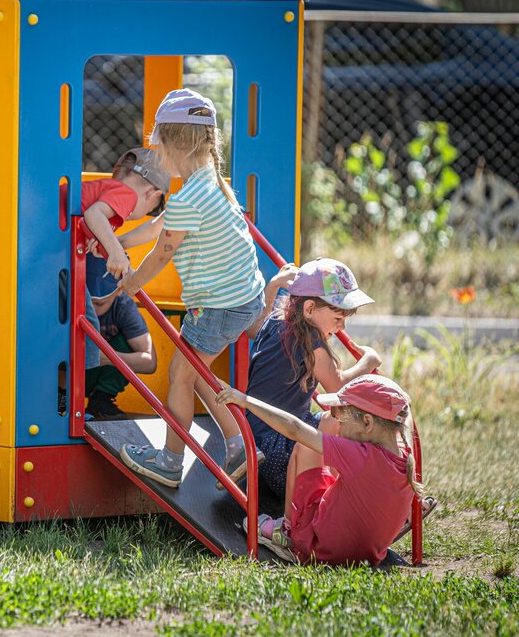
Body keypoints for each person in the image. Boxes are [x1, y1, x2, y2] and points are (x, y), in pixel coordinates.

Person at [116, 88, 266, 488]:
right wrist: (121, 242)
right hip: (246, 298)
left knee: (179, 374)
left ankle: (170, 460)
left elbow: (161, 256)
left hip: (220, 306)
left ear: (169, 144)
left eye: (158, 144)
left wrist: (129, 285)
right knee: (198, 372)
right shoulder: (212, 184)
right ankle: (237, 448)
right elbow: (162, 227)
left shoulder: (189, 199)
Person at [217, 374, 423, 566]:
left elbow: (295, 429)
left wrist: (245, 400)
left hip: (322, 549)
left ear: (367, 422)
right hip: (369, 554)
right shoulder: (406, 458)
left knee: (306, 445)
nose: (338, 425)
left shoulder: (361, 456)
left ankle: (288, 533)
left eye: (340, 417)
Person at [238, 258, 381, 506]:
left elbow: (253, 329)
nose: (342, 327)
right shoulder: (311, 342)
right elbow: (339, 387)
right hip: (278, 453)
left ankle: (359, 493)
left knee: (336, 419)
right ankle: (353, 498)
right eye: (338, 319)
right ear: (309, 309)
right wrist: (369, 361)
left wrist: (272, 286)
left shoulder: (279, 322)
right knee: (344, 419)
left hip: (256, 444)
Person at [71, 147, 170, 372]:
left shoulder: (109, 190)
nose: (140, 215)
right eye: (149, 210)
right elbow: (93, 214)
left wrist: (101, 241)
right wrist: (115, 251)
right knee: (86, 326)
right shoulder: (127, 195)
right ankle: (75, 392)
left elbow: (90, 219)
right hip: (48, 256)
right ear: (152, 195)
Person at [82, 256, 158, 420]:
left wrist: (107, 357)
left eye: (100, 304)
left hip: (101, 370)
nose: (93, 311)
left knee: (127, 343)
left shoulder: (124, 307)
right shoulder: (70, 302)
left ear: (118, 291)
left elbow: (149, 362)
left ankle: (100, 400)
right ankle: (62, 403)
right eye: (88, 302)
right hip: (75, 375)